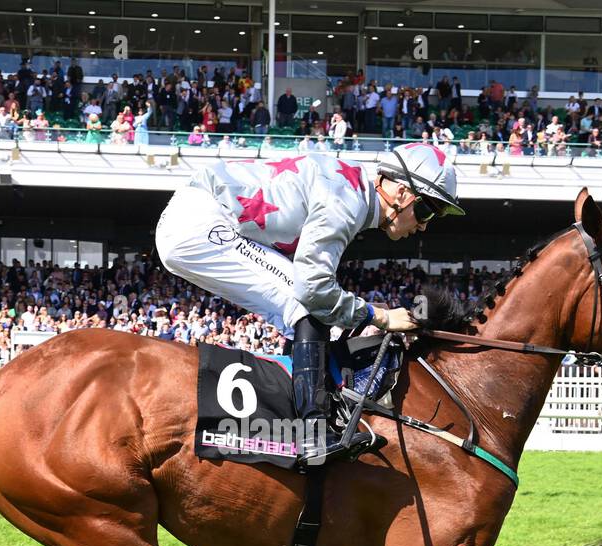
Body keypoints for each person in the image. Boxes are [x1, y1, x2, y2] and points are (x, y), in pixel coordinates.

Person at [154, 143, 465, 464]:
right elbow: (314, 291)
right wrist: (380, 316)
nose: (425, 225)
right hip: (200, 222)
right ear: (401, 192)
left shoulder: (351, 191)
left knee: (314, 313)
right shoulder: (347, 203)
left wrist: (361, 314)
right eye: (427, 210)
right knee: (309, 306)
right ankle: (313, 435)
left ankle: (299, 422)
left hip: (200, 217)